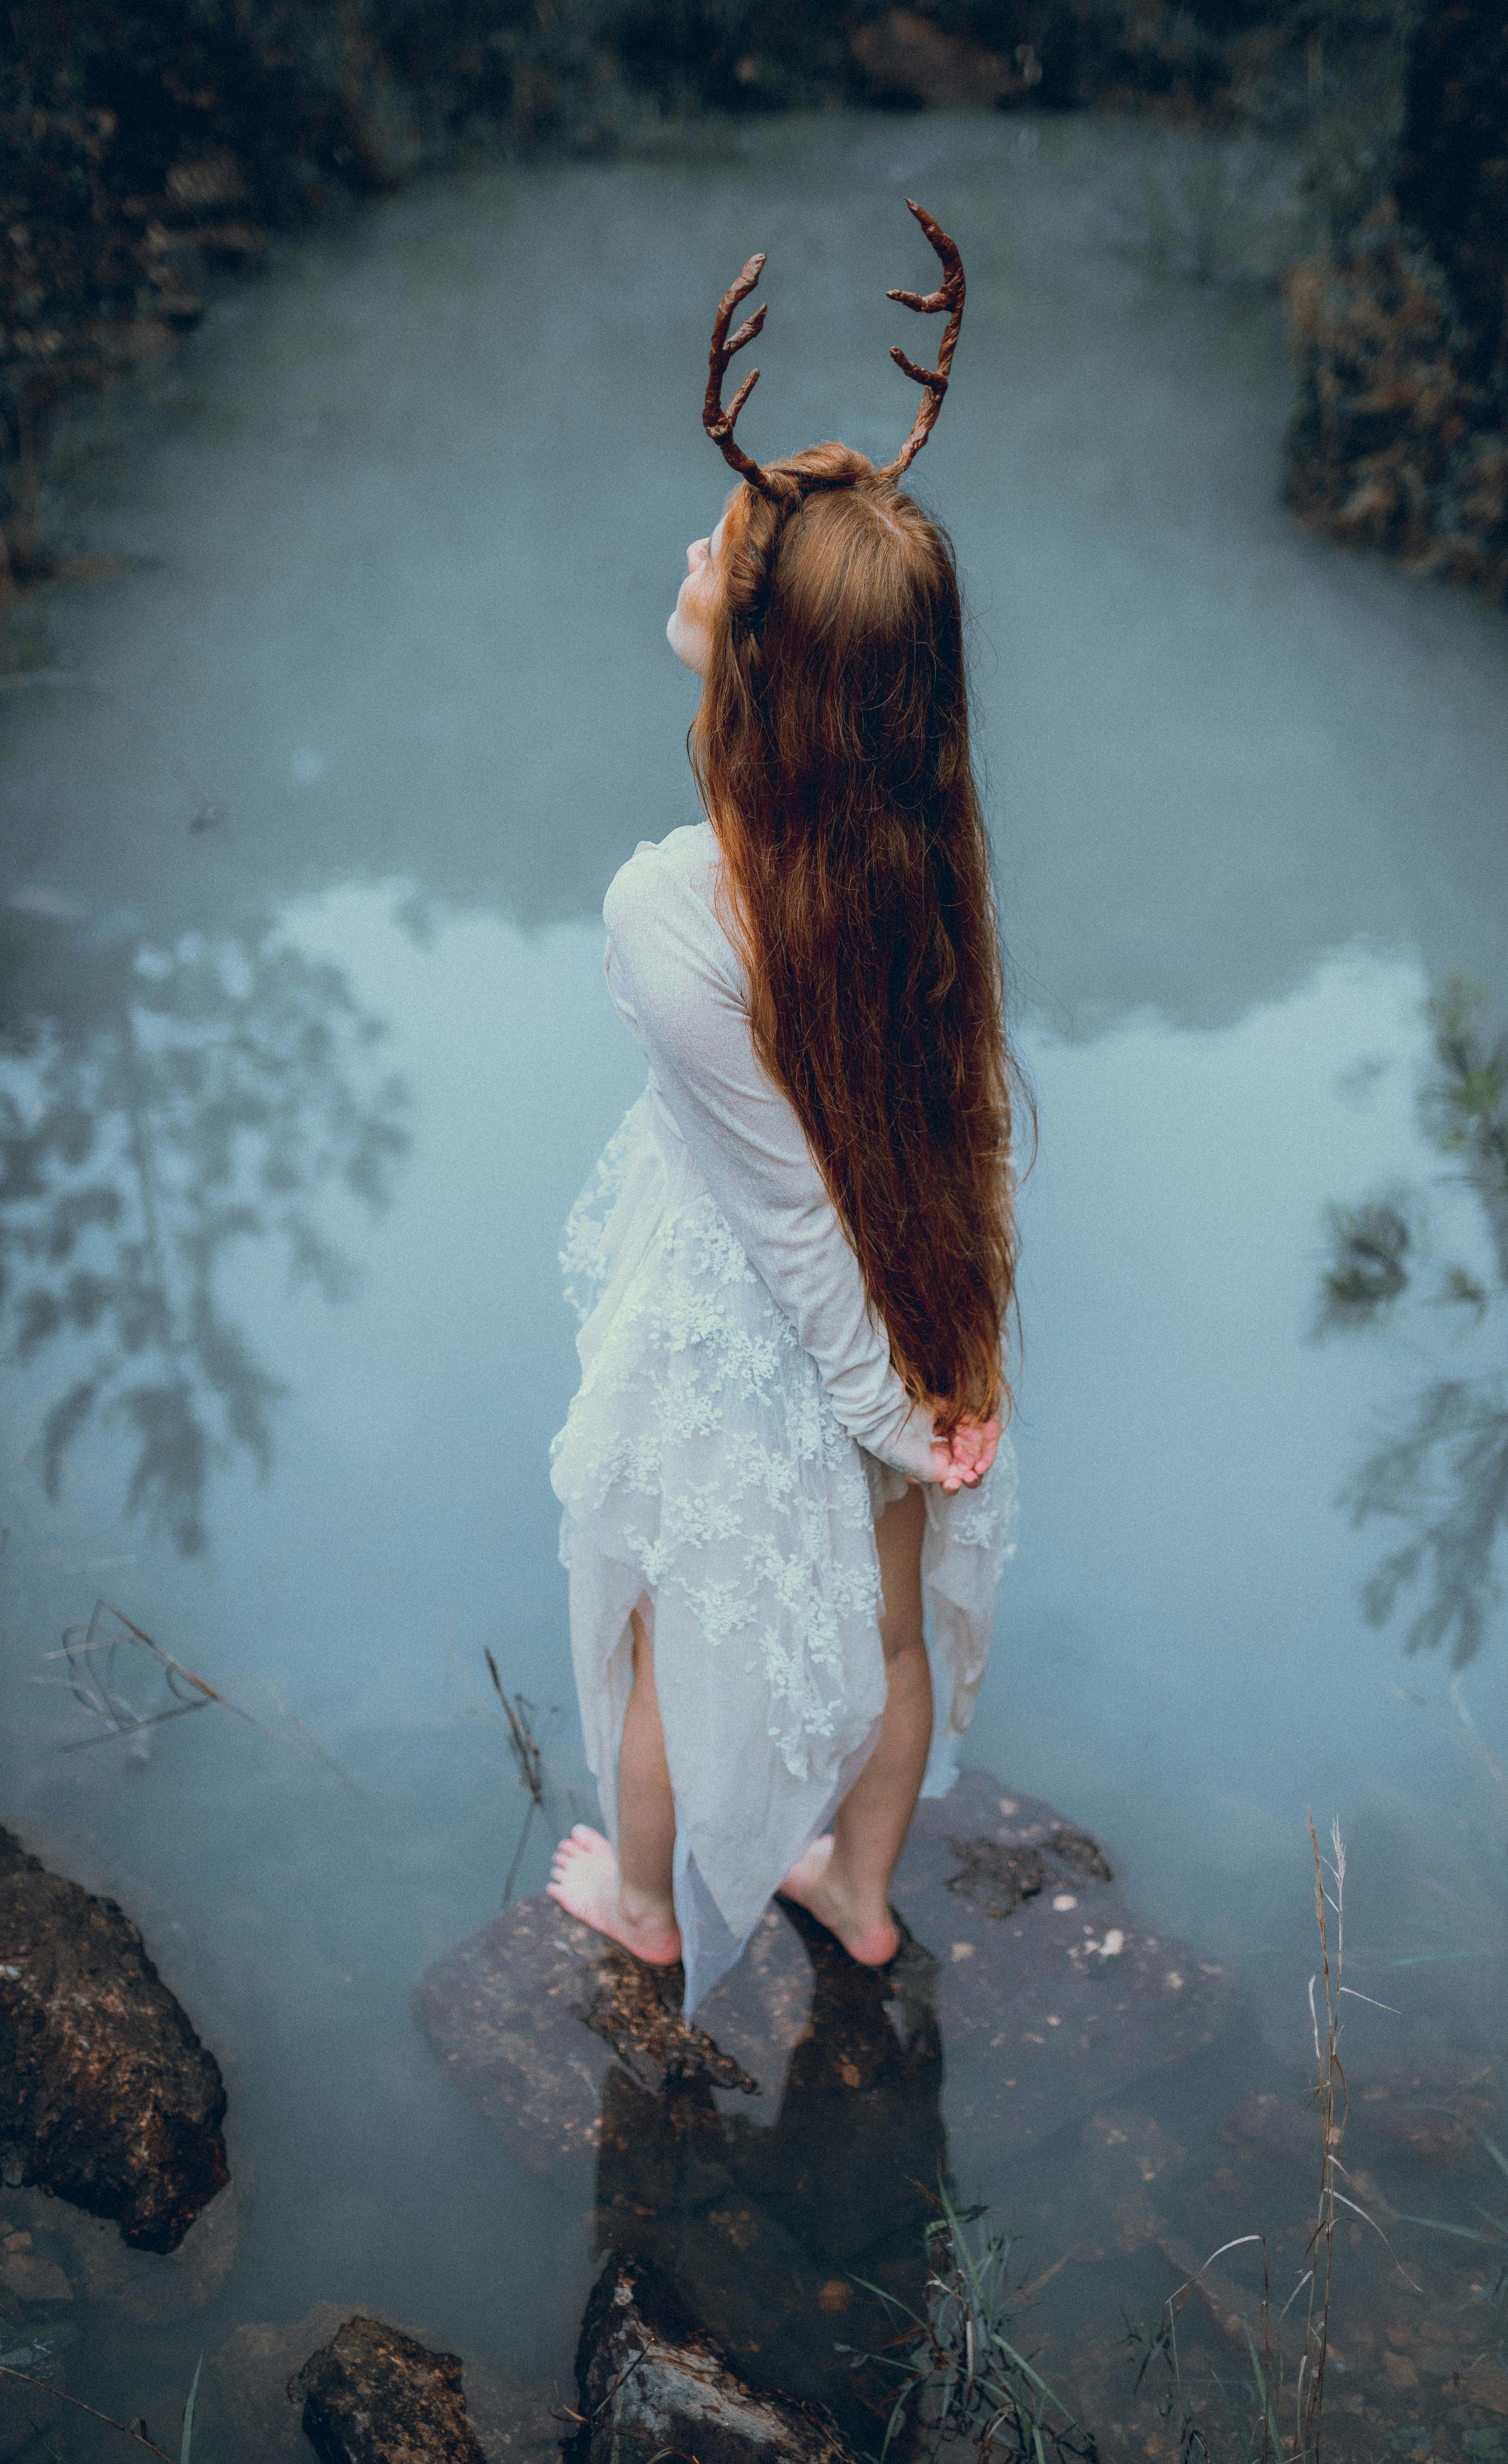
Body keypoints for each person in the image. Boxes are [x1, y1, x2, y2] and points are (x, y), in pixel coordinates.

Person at [546, 204, 1021, 2015]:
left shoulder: (674, 908)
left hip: (788, 1305)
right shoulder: (918, 841)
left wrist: (889, 1402)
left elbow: (778, 1215)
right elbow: (947, 1100)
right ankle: (859, 1893)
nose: (690, 548)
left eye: (725, 553)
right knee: (885, 1619)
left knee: (674, 1633)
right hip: (912, 1262)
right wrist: (946, 1364)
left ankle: (651, 1908)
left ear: (765, 669)